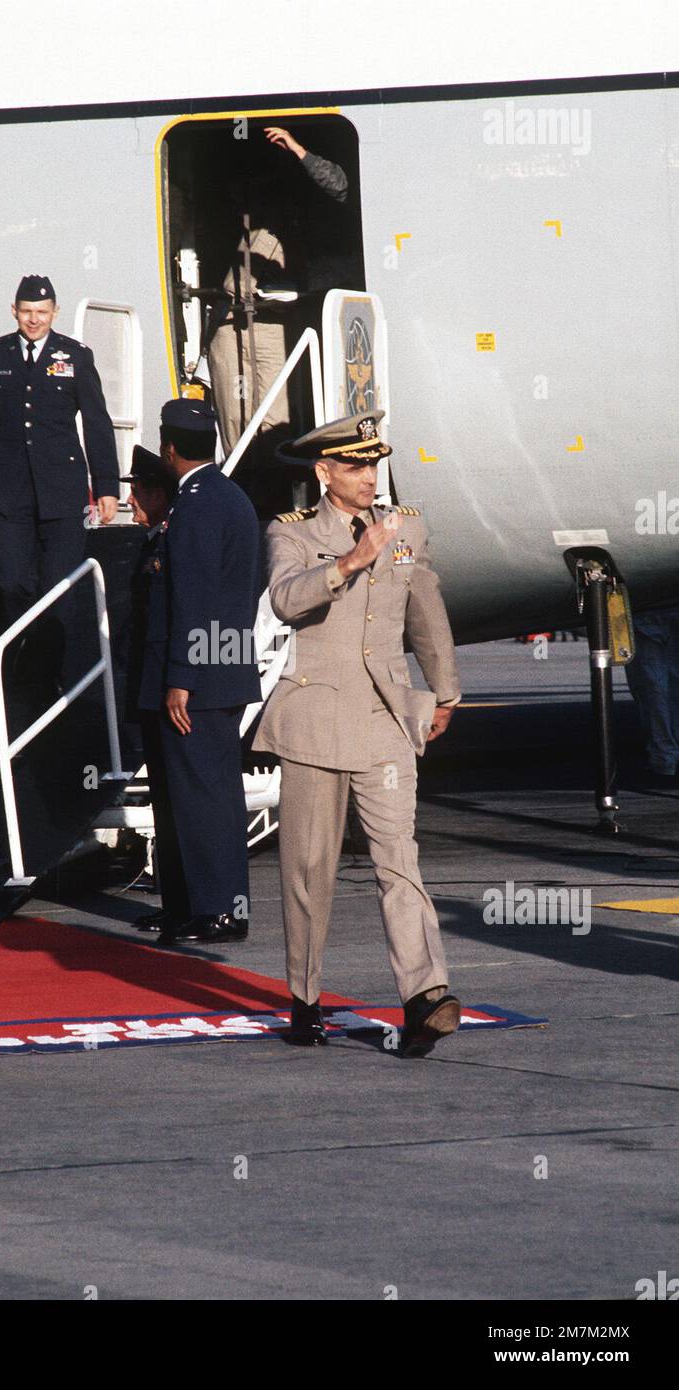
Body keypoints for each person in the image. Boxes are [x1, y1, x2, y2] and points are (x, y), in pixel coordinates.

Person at [252, 411, 463, 1054]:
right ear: (324, 473)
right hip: (314, 720)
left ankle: (425, 996)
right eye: (354, 466)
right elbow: (287, 601)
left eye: (373, 465)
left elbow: (425, 609)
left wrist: (444, 689)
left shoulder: (406, 529)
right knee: (308, 870)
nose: (369, 477)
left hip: (382, 719)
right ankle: (305, 997)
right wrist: (349, 562)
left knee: (399, 858)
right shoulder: (290, 534)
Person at [137, 399, 262, 944]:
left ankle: (220, 910)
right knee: (181, 794)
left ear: (169, 449)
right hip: (216, 665)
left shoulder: (197, 505)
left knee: (205, 795)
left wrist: (182, 676)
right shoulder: (225, 497)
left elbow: (195, 596)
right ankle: (187, 903)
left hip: (199, 678)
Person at [0, 274, 119, 687]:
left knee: (58, 587)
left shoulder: (75, 356)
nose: (34, 320)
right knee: (12, 581)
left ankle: (45, 680)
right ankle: (17, 665)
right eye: (27, 312)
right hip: (11, 492)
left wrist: (106, 488)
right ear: (15, 311)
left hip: (63, 493)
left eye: (42, 313)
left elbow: (97, 425)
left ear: (54, 313)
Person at [207, 127, 349, 459]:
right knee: (234, 417)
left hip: (275, 321)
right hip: (229, 318)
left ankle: (272, 493)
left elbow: (338, 186)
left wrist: (299, 151)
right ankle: (242, 493)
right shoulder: (239, 200)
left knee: (273, 420)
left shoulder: (311, 201)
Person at [116, 445, 188, 935]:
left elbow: (185, 615)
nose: (132, 502)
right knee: (166, 802)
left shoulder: (173, 538)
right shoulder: (153, 539)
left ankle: (201, 906)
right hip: (150, 687)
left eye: (138, 493)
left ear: (160, 494)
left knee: (184, 802)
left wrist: (179, 681)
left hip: (170, 688)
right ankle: (177, 903)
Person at [624, 604, 679, 781]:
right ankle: (667, 754)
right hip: (669, 610)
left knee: (651, 687)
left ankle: (664, 756)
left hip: (644, 612)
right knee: (671, 682)